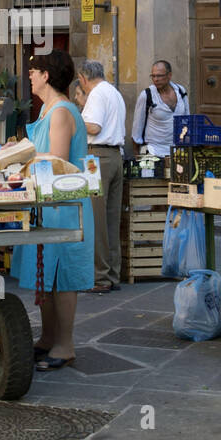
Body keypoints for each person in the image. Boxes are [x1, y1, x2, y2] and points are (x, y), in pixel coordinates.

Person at [10, 50, 95, 371]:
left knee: (63, 277)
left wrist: (20, 156)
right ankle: (47, 338)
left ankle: (65, 344)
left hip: (65, 202)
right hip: (46, 201)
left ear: (46, 75)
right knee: (44, 274)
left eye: (34, 71)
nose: (29, 76)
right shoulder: (46, 108)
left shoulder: (61, 111)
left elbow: (57, 159)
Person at [78, 60, 127, 294]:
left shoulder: (96, 94)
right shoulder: (114, 92)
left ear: (84, 78)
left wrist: (74, 120)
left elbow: (94, 127)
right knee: (111, 219)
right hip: (115, 156)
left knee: (95, 218)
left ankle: (100, 277)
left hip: (96, 158)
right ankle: (113, 274)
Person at [131, 60, 188, 157]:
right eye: (153, 76)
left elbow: (187, 119)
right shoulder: (147, 95)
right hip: (153, 151)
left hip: (177, 152)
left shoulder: (181, 92)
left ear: (169, 75)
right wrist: (137, 156)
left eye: (159, 76)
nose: (155, 79)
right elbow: (137, 129)